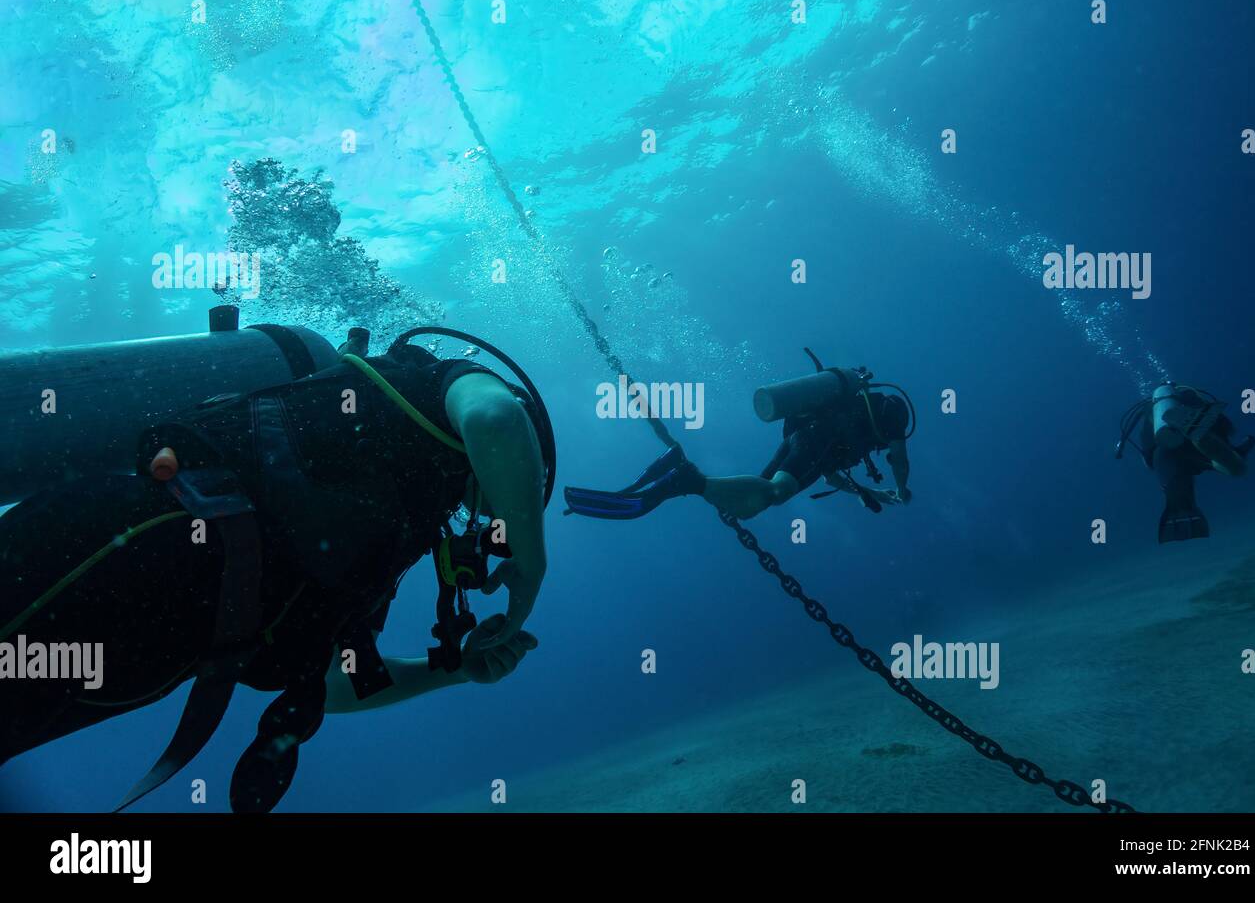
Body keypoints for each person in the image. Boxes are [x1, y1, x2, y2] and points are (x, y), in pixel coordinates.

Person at [0, 332, 553, 812]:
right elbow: (496, 419)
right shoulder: (437, 388)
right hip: (124, 547)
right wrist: (531, 567)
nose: (493, 520)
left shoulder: (398, 518)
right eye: (519, 496)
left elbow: (340, 685)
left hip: (153, 659)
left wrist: (455, 669)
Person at [565, 352, 913, 521]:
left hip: (801, 440)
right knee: (774, 493)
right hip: (812, 442)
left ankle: (679, 476)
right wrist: (898, 489)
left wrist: (868, 493)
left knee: (752, 503)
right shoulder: (890, 415)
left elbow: (828, 473)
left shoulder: (856, 421)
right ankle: (690, 481)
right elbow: (901, 459)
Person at [1116, 382, 1255, 542]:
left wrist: (1154, 465)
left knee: (1171, 480)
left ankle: (1176, 496)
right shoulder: (1190, 396)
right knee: (1237, 469)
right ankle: (1201, 439)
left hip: (1164, 453)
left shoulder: (1148, 411)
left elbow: (1147, 454)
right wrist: (1241, 448)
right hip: (1197, 447)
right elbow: (1226, 427)